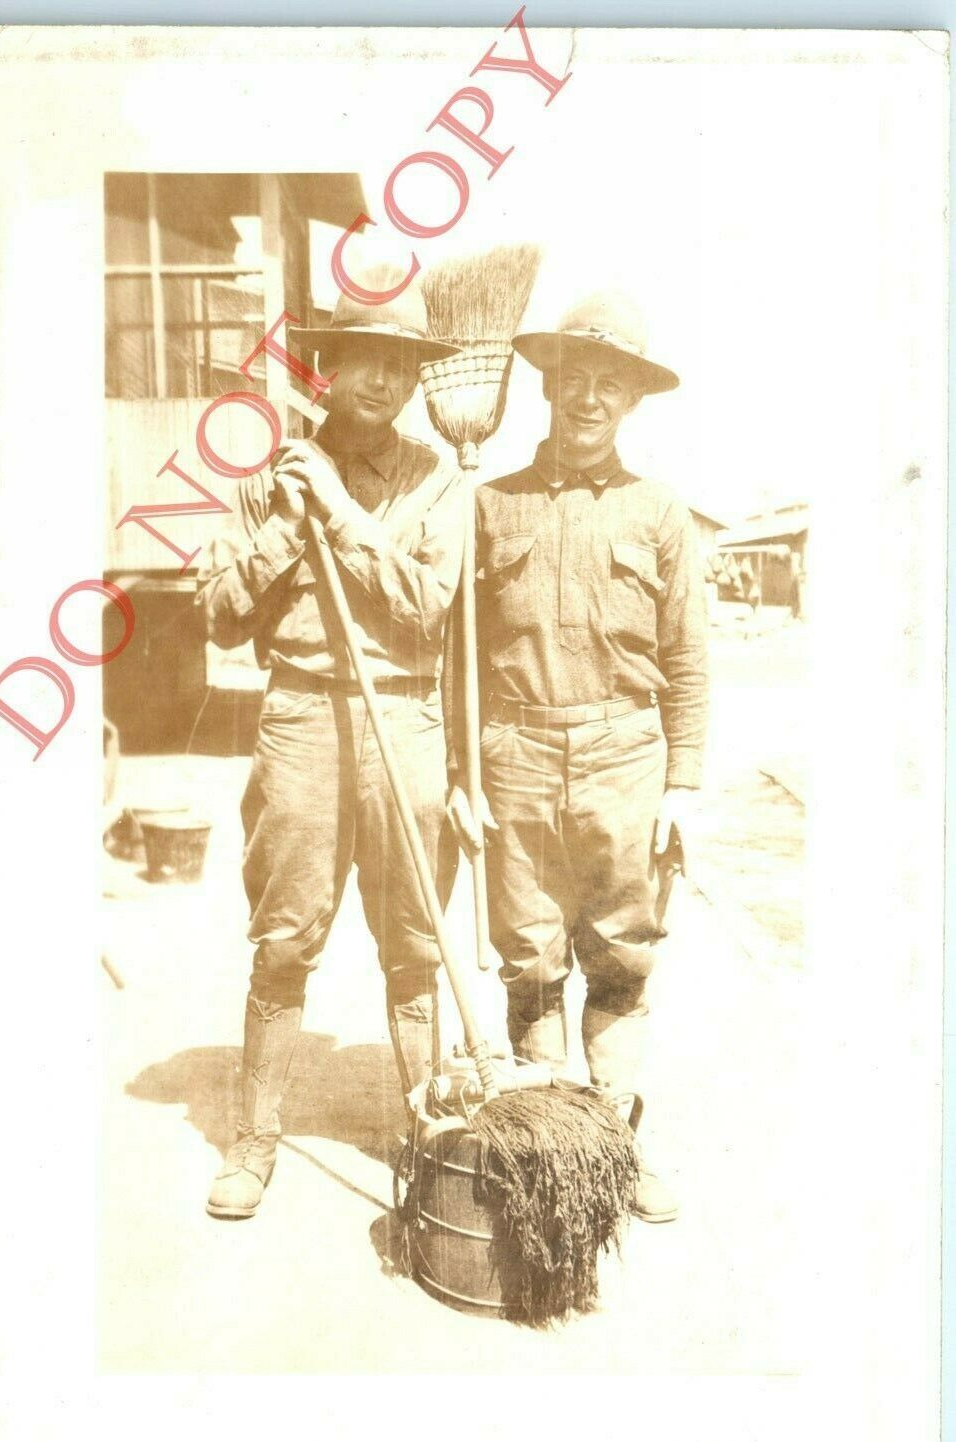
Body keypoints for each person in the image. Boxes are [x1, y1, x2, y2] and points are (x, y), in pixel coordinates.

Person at [196, 267, 463, 1220]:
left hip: (404, 713)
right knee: (284, 937)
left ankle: (430, 1131)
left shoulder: (441, 479)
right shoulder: (269, 475)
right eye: (365, 362)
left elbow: (431, 607)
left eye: (401, 366)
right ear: (329, 369)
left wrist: (344, 522)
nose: (383, 384)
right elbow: (221, 617)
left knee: (415, 940)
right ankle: (256, 1137)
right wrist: (287, 524)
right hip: (302, 712)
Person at [447, 287, 709, 1223]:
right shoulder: (489, 504)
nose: (589, 399)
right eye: (572, 381)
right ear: (546, 389)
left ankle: (619, 1145)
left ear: (633, 401)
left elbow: (685, 660)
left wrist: (681, 783)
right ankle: (545, 1155)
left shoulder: (660, 512)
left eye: (610, 384)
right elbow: (457, 659)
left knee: (622, 957)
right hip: (512, 751)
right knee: (527, 959)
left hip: (625, 757)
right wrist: (459, 772)